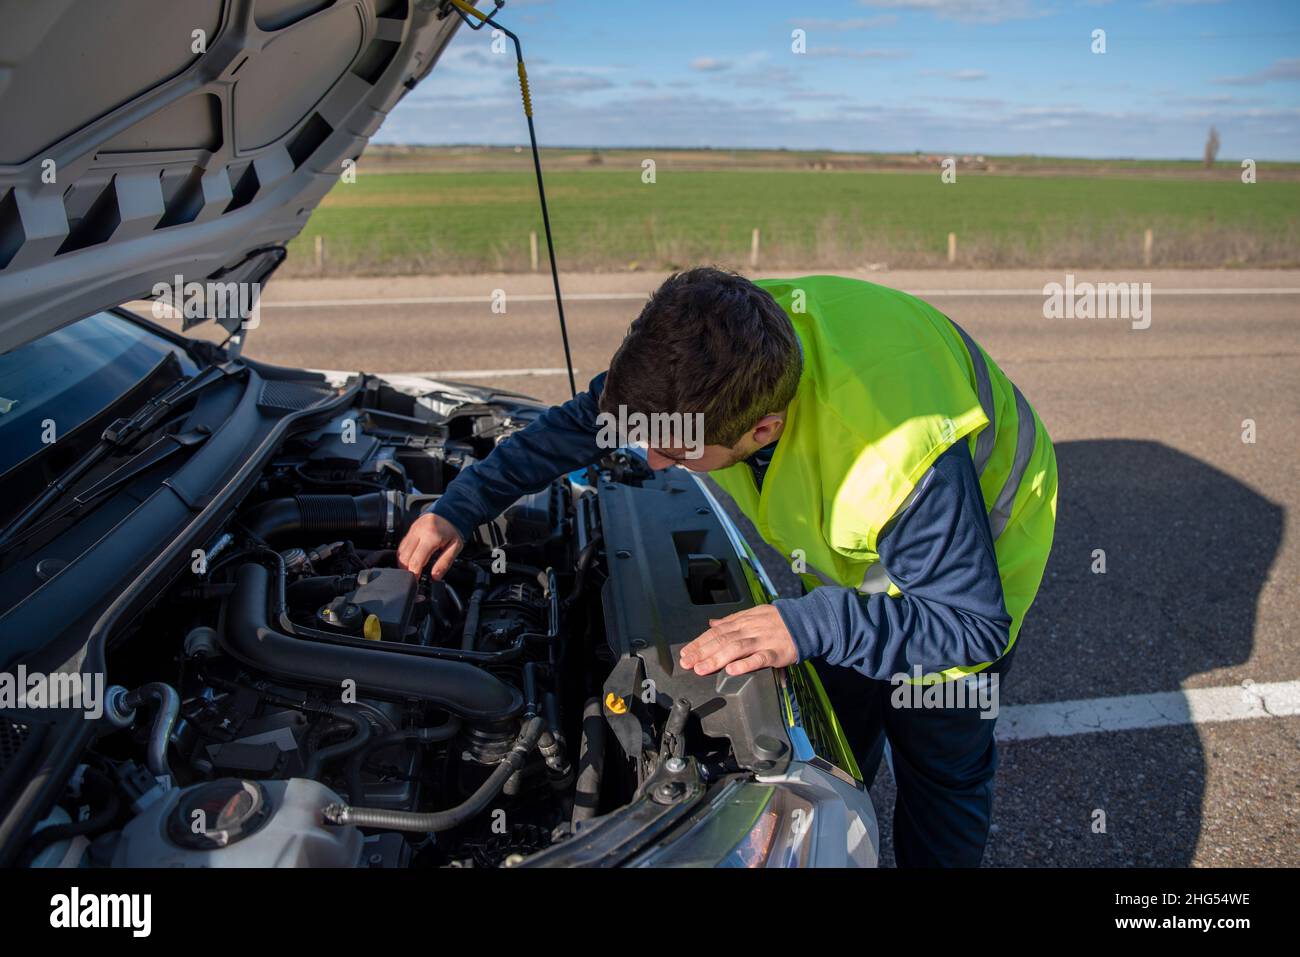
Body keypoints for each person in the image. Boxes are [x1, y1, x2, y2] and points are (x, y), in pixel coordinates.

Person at [397, 267, 1058, 867]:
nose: (652, 463)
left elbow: (973, 625)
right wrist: (462, 505)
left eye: (676, 451)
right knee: (840, 712)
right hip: (862, 544)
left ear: (762, 432)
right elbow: (579, 427)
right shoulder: (711, 356)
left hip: (975, 552)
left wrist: (811, 619)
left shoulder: (891, 458)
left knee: (940, 755)